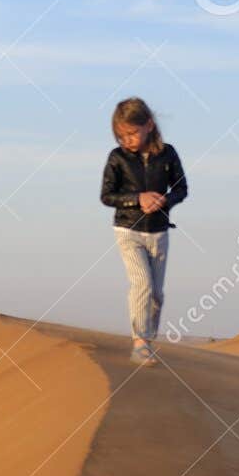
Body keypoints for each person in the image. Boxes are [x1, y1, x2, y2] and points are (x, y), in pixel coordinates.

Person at [100, 97, 188, 366]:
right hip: (128, 229)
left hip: (159, 232)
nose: (127, 140)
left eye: (131, 133)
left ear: (148, 125)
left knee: (157, 294)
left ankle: (147, 342)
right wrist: (137, 199)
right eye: (121, 135)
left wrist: (165, 200)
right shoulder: (117, 158)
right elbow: (107, 195)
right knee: (142, 283)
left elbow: (182, 189)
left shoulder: (168, 154)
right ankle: (139, 343)